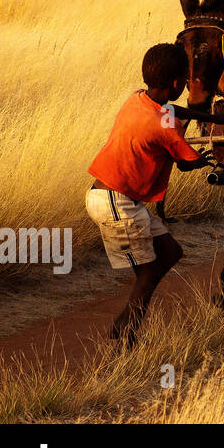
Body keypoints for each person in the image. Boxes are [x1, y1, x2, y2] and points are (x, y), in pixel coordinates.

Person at [86, 43, 211, 347]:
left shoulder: (137, 99)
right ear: (177, 83)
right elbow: (187, 162)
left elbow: (170, 110)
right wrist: (211, 153)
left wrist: (203, 117)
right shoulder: (165, 126)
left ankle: (127, 323)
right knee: (148, 271)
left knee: (170, 253)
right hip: (115, 201)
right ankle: (126, 333)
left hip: (114, 197)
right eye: (185, 78)